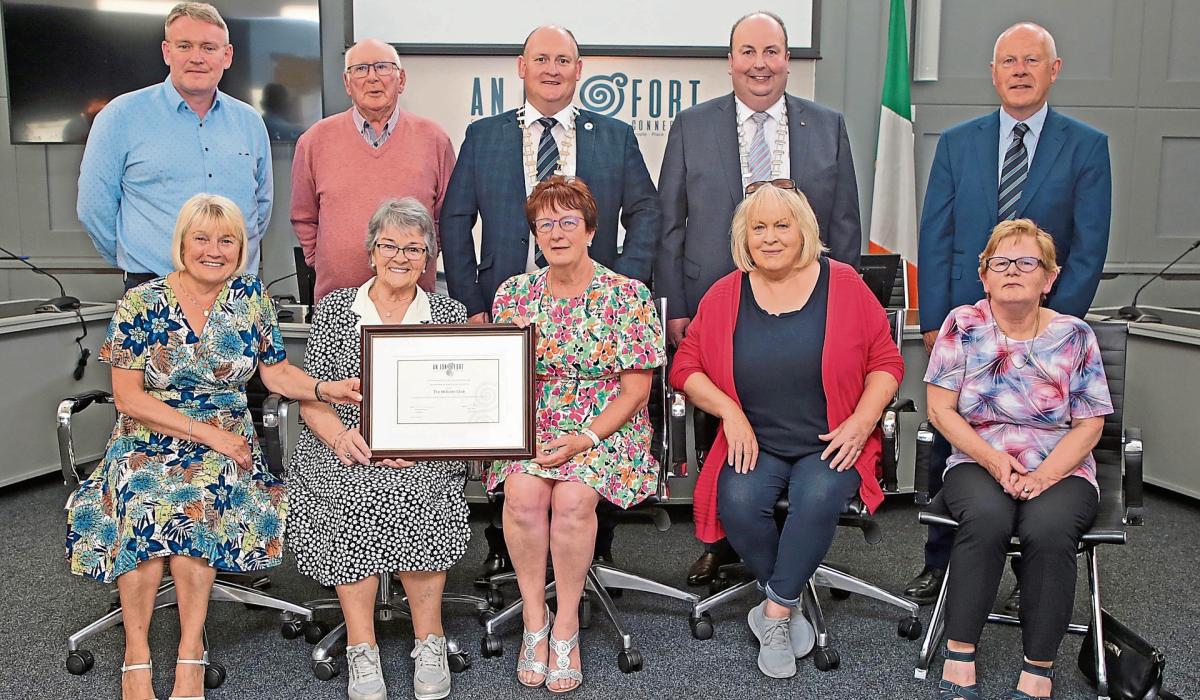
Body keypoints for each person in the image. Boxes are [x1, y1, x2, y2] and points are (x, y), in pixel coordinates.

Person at [64, 194, 360, 700]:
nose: (214, 250)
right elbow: (127, 396)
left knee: (195, 500)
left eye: (227, 240)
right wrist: (204, 433)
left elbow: (276, 373)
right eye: (202, 238)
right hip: (150, 433)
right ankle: (137, 653)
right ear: (182, 242)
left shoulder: (251, 299)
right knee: (141, 495)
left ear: (241, 247)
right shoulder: (142, 302)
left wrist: (322, 389)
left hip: (227, 437)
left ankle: (189, 653)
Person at [441, 24, 660, 579]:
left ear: (579, 69)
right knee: (511, 422)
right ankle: (506, 546)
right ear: (521, 67)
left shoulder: (613, 135)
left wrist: (617, 287)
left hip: (593, 312)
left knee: (585, 452)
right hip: (512, 307)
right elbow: (455, 218)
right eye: (541, 59)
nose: (552, 69)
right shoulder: (484, 134)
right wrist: (472, 300)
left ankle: (592, 544)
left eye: (564, 60)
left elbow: (647, 214)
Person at [908, 21, 1112, 612]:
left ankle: (1031, 573)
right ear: (994, 72)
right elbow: (938, 235)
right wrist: (935, 317)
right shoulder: (958, 142)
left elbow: (1088, 248)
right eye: (1009, 61)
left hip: (1045, 334)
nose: (1019, 71)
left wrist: (1045, 330)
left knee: (1040, 451)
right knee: (953, 445)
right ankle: (939, 563)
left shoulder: (1086, 146)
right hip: (965, 330)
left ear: (1054, 69)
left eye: (1031, 61)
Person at [656, 11, 864, 585]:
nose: (759, 64)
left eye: (771, 51)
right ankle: (726, 541)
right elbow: (669, 223)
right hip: (712, 300)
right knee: (720, 424)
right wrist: (673, 307)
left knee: (801, 406)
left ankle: (795, 546)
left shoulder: (827, 126)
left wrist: (844, 304)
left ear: (787, 59)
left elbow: (844, 223)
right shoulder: (692, 125)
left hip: (807, 301)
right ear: (730, 62)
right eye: (747, 52)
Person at [668, 180, 902, 679]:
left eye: (782, 225)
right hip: (757, 439)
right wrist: (730, 413)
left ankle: (774, 611)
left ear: (804, 231)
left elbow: (886, 361)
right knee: (739, 504)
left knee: (817, 498)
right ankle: (790, 592)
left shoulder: (843, 284)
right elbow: (685, 367)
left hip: (833, 436)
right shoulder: (726, 293)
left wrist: (862, 422)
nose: (770, 237)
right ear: (743, 237)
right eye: (758, 227)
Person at [485, 176, 664, 693]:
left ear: (590, 229)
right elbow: (502, 375)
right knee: (520, 495)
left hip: (607, 424)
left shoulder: (628, 295)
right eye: (545, 224)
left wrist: (584, 437)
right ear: (535, 235)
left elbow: (634, 392)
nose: (557, 233)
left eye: (568, 221)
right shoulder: (513, 295)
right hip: (533, 422)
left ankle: (566, 625)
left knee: (572, 499)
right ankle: (534, 622)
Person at [287, 198, 469, 700]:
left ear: (429, 258)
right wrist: (342, 438)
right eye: (389, 245)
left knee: (419, 491)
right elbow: (311, 399)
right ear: (371, 252)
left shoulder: (448, 314)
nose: (401, 256)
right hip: (344, 445)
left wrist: (424, 446)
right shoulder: (334, 311)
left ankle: (429, 640)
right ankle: (361, 650)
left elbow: (458, 403)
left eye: (414, 248)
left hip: (423, 451)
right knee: (352, 495)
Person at [924, 220, 1112, 700]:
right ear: (983, 276)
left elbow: (1089, 424)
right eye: (1000, 263)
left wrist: (1045, 475)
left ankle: (1039, 665)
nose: (1012, 271)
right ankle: (961, 648)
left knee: (1048, 530)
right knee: (985, 519)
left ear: (1049, 278)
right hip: (977, 457)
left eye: (1027, 262)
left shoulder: (1075, 335)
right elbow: (940, 410)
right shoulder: (962, 325)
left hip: (1062, 463)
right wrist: (991, 460)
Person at [77, 2, 272, 291]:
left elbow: (261, 207)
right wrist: (136, 260)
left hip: (237, 294)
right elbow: (95, 208)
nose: (197, 58)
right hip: (153, 291)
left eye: (208, 47)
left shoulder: (250, 122)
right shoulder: (121, 117)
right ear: (167, 52)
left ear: (227, 55)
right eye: (184, 46)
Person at [291, 39, 455, 301]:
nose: (372, 78)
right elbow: (303, 216)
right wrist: (323, 261)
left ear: (401, 79)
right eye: (361, 69)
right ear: (347, 83)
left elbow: (446, 218)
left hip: (411, 303)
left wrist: (419, 259)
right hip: (338, 304)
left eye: (383, 67)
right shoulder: (314, 141)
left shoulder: (434, 139)